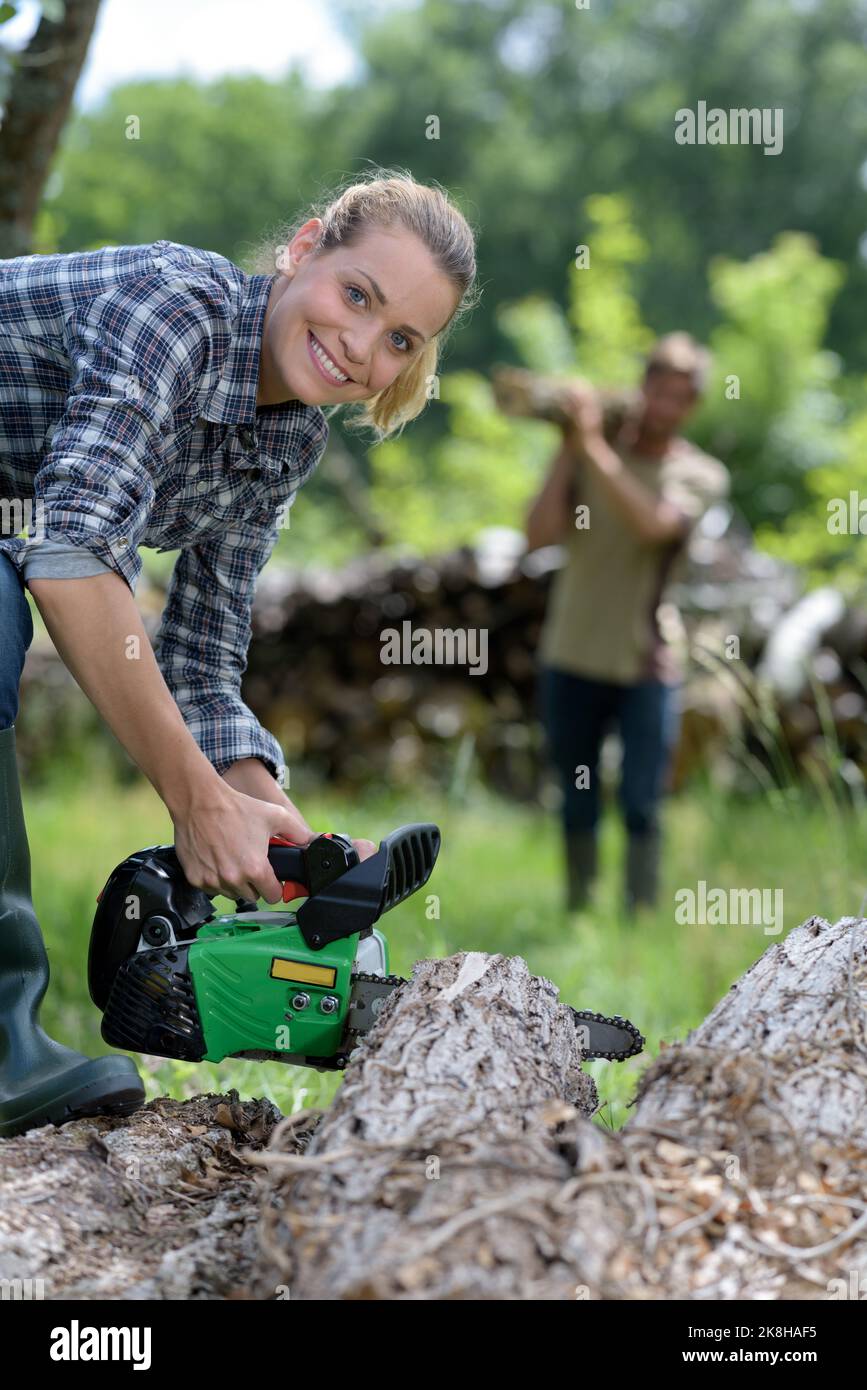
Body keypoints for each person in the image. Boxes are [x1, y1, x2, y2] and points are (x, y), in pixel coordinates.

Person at [0, 169, 478, 1137]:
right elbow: (65, 556)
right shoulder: (174, 310)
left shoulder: (286, 436)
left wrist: (263, 814)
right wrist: (192, 800)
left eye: (399, 340)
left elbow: (203, 653)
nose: (359, 344)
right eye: (357, 294)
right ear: (304, 249)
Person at [525, 334, 730, 916]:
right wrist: (570, 446)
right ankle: (579, 910)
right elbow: (537, 534)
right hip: (571, 652)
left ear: (693, 405)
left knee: (642, 799)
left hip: (646, 659)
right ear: (642, 388)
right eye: (657, 392)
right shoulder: (591, 455)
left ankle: (638, 913)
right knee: (577, 796)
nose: (664, 407)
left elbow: (652, 525)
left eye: (679, 398)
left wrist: (591, 447)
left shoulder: (699, 473)